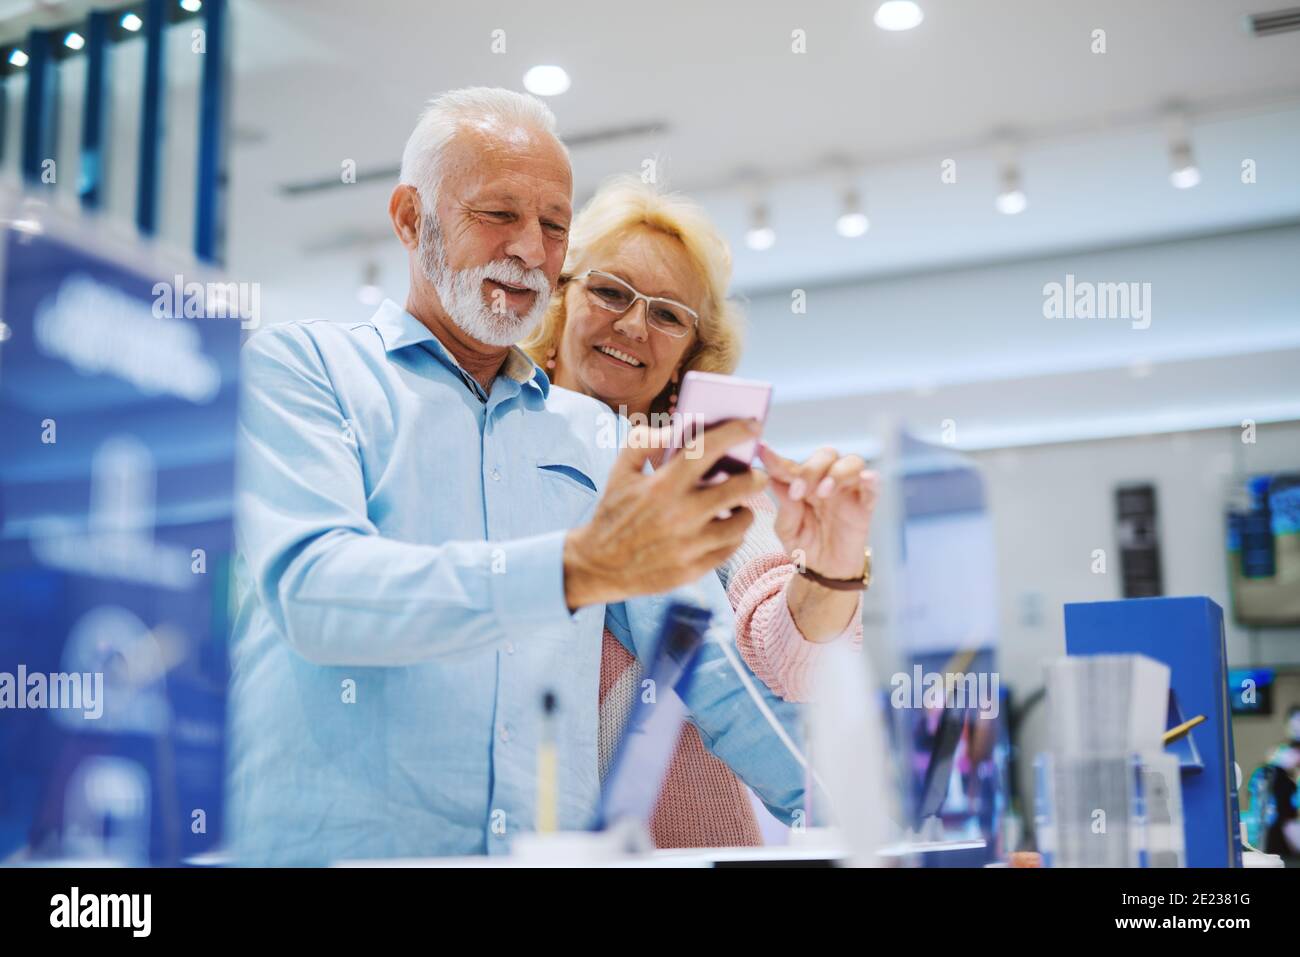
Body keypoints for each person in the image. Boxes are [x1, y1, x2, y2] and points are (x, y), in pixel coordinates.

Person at [226, 88, 811, 863]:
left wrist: (866, 813)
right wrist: (573, 568)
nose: (531, 250)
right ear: (409, 218)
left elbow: (700, 658)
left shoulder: (596, 436)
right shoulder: (304, 370)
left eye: (555, 224)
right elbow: (318, 590)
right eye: (499, 213)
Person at [523, 177, 876, 846]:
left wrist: (828, 569)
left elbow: (788, 664)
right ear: (561, 296)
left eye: (667, 313)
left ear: (688, 356)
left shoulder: (708, 471)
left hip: (697, 851)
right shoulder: (498, 452)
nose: (632, 324)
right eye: (611, 291)